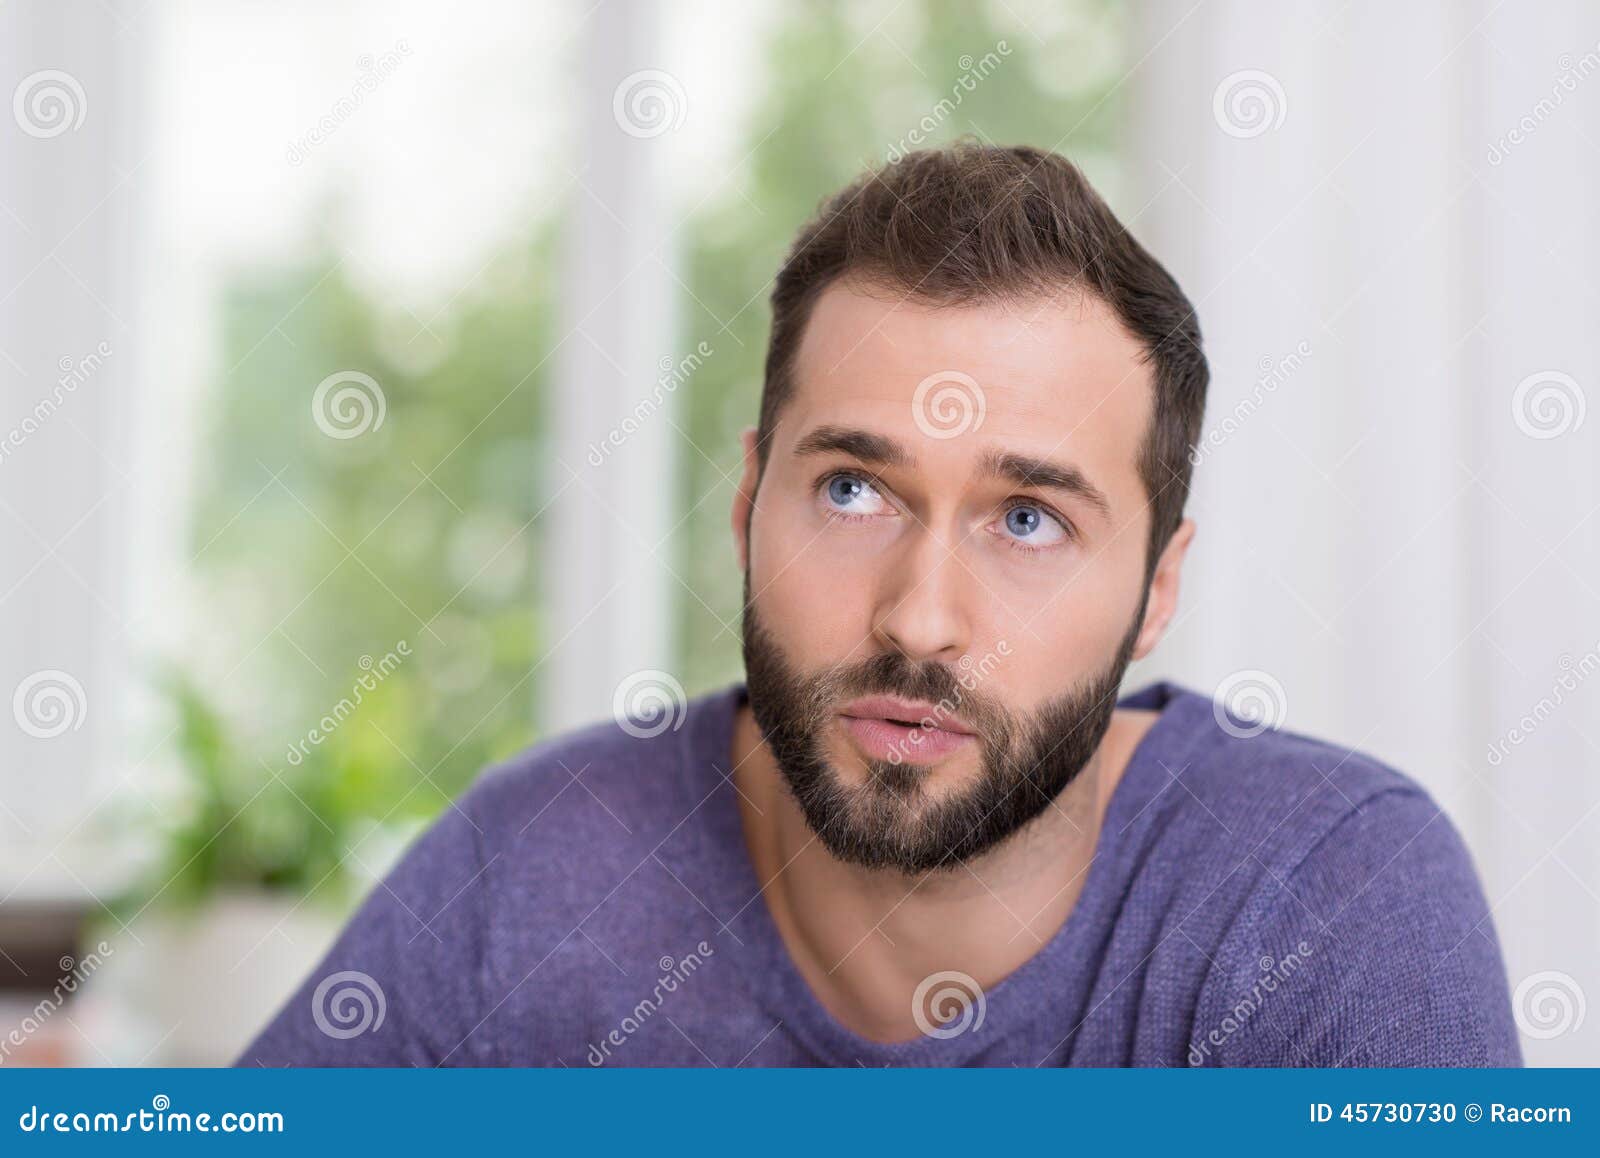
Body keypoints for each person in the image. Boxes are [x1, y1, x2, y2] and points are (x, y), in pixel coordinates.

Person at [241, 143, 1520, 1067]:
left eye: (1029, 521)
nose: (918, 620)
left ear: (1155, 591)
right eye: (854, 490)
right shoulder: (533, 868)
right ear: (748, 500)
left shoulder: (1327, 900)